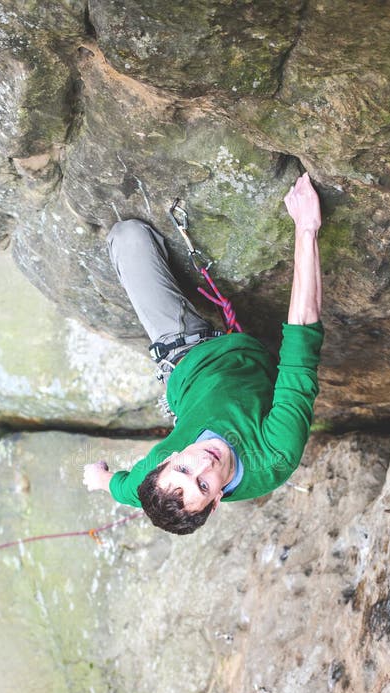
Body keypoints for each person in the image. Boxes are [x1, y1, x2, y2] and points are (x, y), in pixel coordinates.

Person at [83, 172, 324, 535]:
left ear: (168, 461)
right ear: (215, 504)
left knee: (128, 237)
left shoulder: (152, 472)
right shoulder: (275, 454)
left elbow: (127, 489)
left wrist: (101, 479)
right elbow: (302, 343)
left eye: (183, 469)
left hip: (186, 354)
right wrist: (306, 229)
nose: (203, 465)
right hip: (255, 365)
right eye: (204, 485)